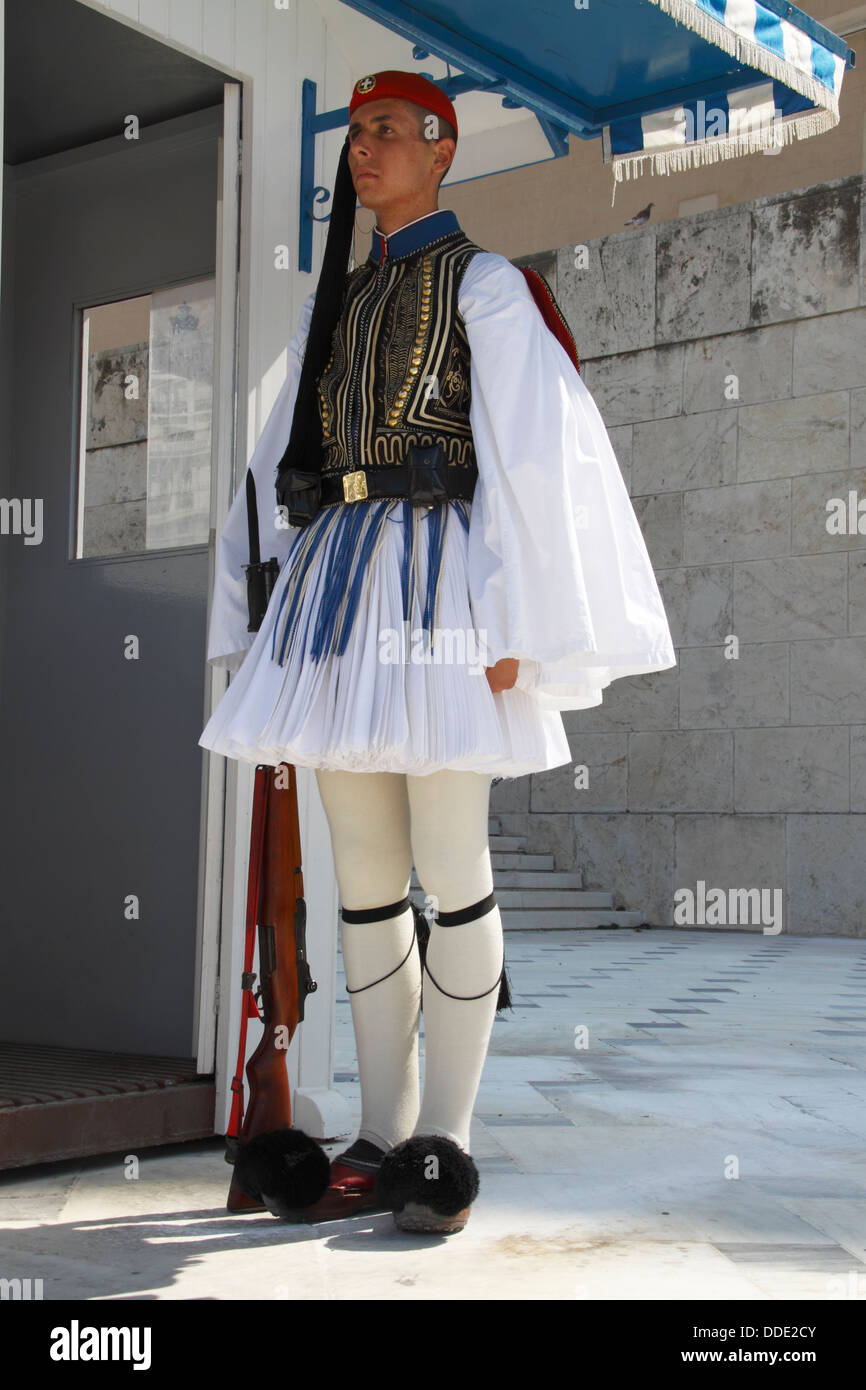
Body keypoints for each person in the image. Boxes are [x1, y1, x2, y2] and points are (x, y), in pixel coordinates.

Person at [200, 70, 677, 1235]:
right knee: (363, 876)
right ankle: (378, 1128)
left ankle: (445, 1139)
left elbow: (535, 448)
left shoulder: (486, 284)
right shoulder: (342, 303)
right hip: (337, 595)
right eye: (355, 133)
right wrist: (246, 612)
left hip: (440, 584)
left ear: (440, 150)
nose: (363, 152)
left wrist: (522, 619)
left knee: (449, 858)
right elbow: (276, 472)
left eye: (386, 133)